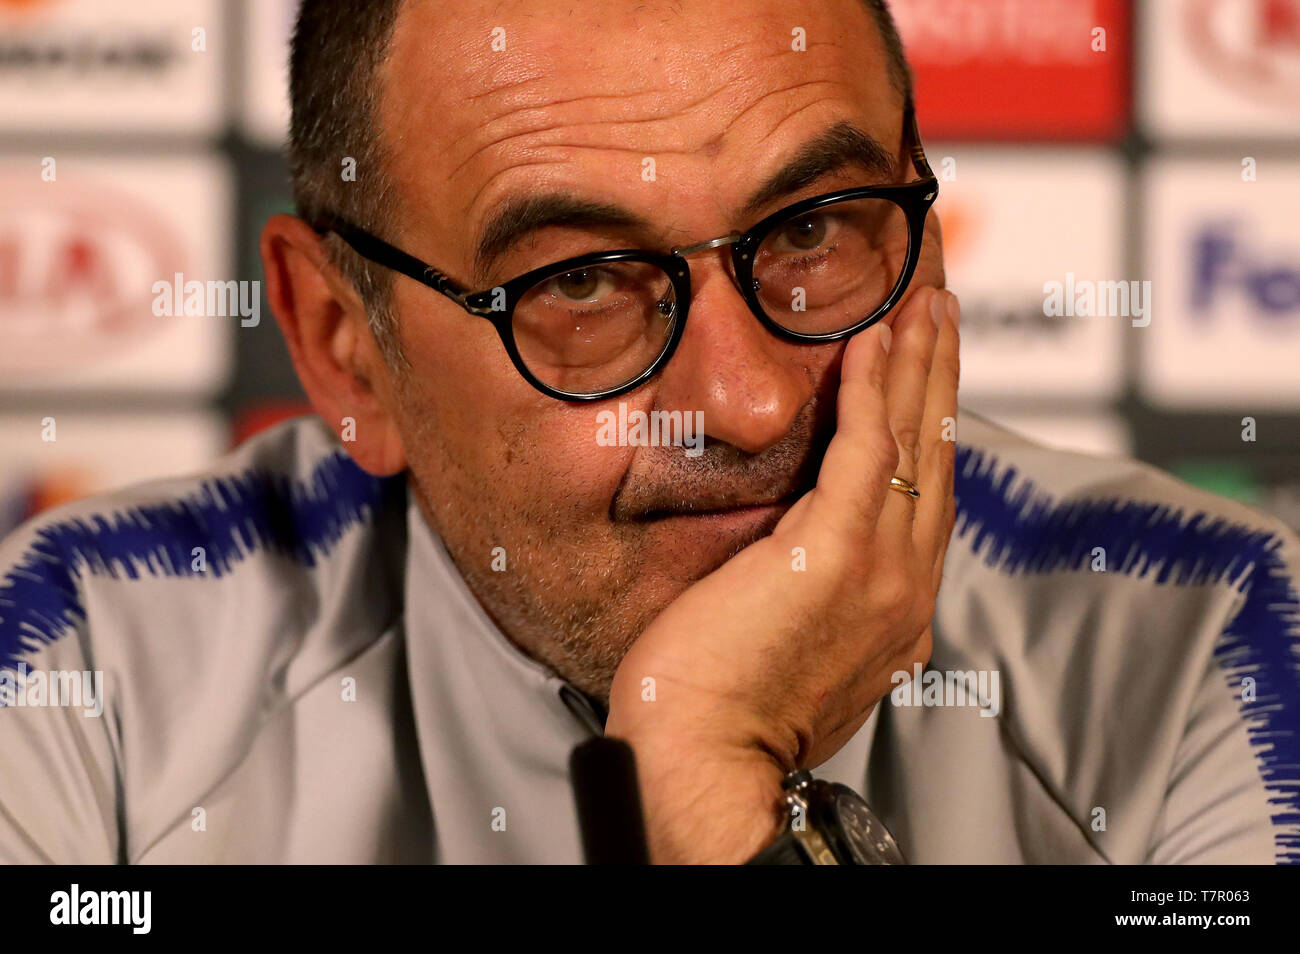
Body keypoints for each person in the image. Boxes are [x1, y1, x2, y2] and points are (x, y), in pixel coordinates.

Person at [1, 0, 1296, 864]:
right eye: (578, 284)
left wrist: (715, 779)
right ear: (349, 346)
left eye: (809, 232)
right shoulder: (78, 685)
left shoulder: (1206, 642)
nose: (752, 400)